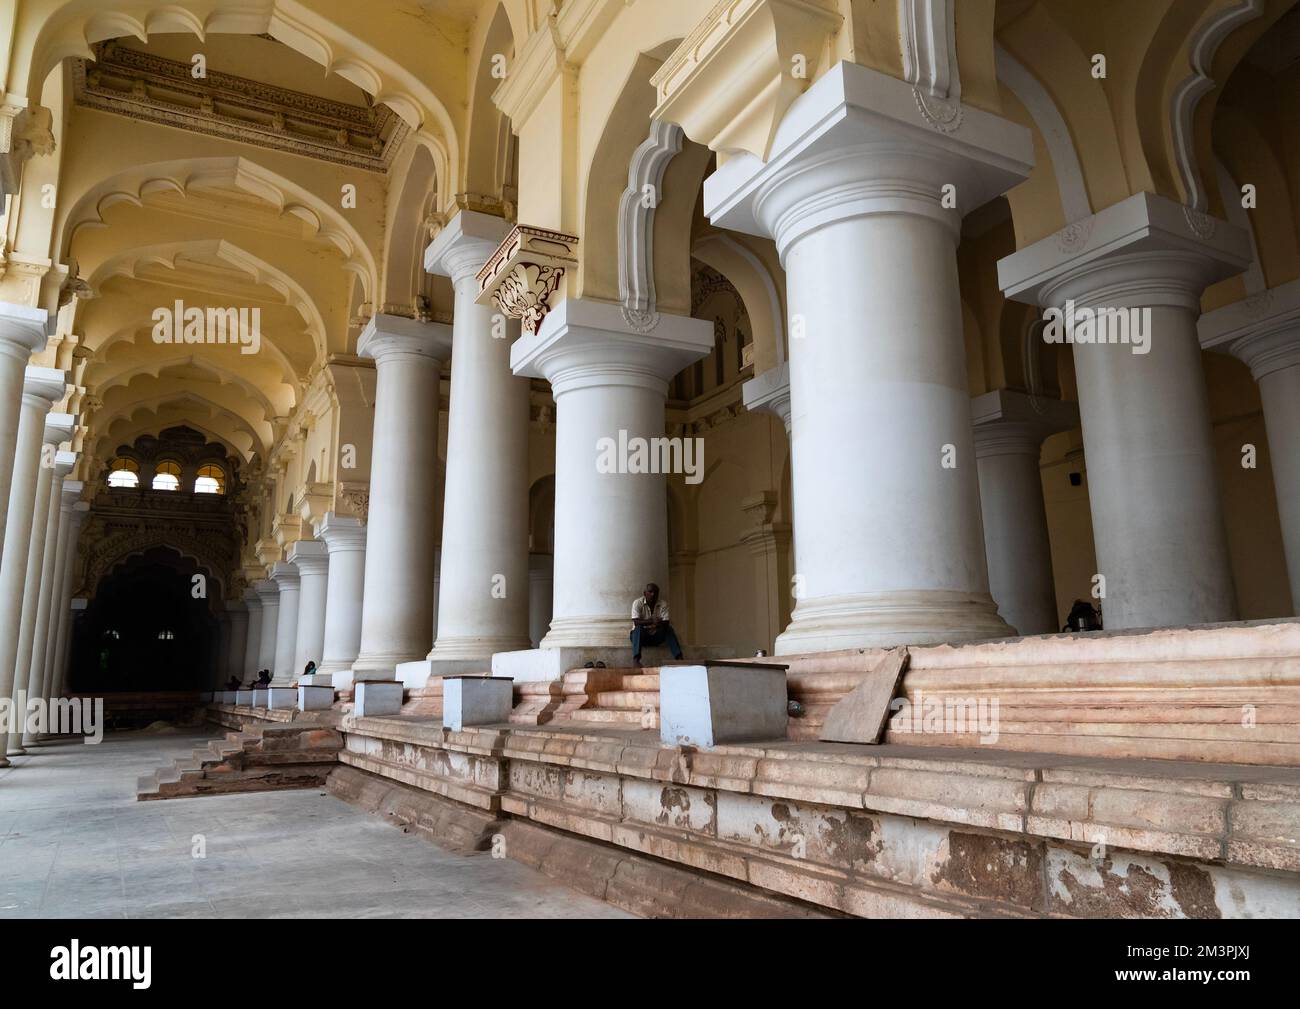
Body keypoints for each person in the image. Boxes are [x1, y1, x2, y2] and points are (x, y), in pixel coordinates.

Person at [630, 582, 683, 667]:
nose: (653, 594)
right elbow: (636, 622)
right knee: (638, 629)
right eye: (650, 592)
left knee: (668, 629)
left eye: (655, 592)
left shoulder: (663, 604)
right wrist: (652, 621)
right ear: (645, 593)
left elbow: (666, 622)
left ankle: (679, 658)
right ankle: (636, 660)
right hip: (641, 637)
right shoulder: (637, 603)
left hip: (656, 636)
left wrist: (657, 623)